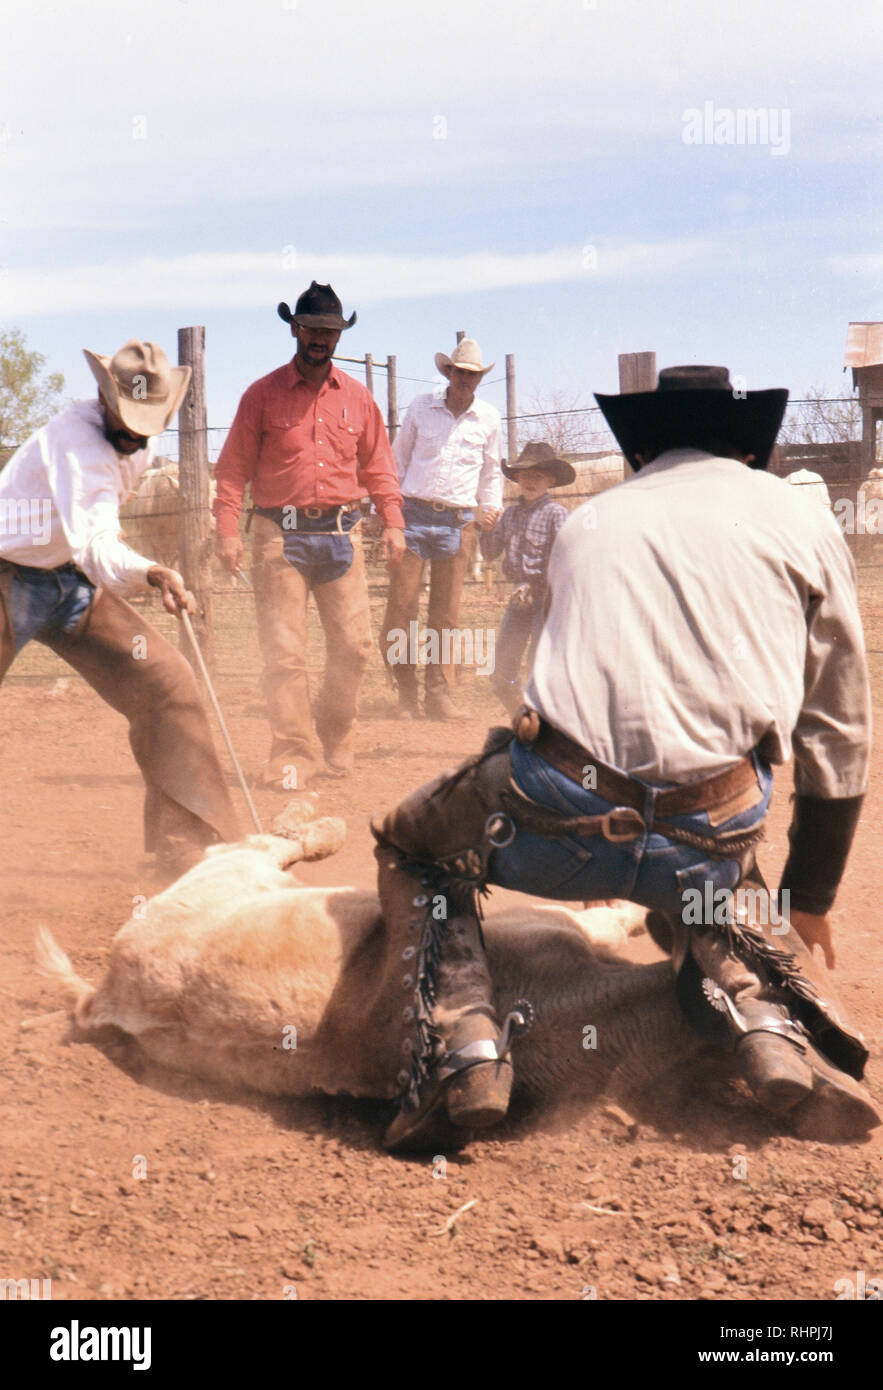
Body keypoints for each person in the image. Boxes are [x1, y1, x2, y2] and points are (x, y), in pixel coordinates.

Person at [369, 363, 878, 1152]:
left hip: (548, 815)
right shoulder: (802, 520)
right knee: (722, 861)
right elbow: (837, 728)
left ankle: (463, 1047)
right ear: (746, 449)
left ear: (644, 451)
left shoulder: (589, 522)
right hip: (704, 831)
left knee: (412, 845)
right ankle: (765, 1024)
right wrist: (807, 895)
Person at [0, 339, 240, 878]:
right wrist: (152, 571)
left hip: (67, 582)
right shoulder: (77, 445)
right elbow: (98, 544)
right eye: (127, 420)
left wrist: (140, 569)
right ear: (105, 398)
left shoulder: (139, 443)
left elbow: (90, 544)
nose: (135, 433)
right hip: (8, 575)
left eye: (147, 423)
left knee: (166, 684)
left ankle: (187, 847)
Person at [213, 283, 405, 788]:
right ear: (295, 329)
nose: (320, 339)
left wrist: (393, 521)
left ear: (338, 336)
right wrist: (227, 529)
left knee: (355, 646)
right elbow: (232, 468)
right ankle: (293, 752)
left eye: (330, 331)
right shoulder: (261, 395)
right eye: (313, 329)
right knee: (285, 651)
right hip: (281, 534)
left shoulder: (359, 399)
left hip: (342, 533)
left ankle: (336, 731)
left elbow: (380, 465)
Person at [380, 337, 502, 720]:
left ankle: (438, 695)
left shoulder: (488, 418)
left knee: (446, 614)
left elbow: (492, 469)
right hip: (413, 516)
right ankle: (405, 694)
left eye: (472, 374)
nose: (465, 379)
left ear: (480, 378)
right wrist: (387, 512)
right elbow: (396, 460)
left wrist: (492, 507)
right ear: (448, 373)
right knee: (401, 608)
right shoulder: (420, 407)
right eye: (460, 372)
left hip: (458, 521)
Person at [480, 440, 574, 715]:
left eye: (538, 476)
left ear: (551, 480)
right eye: (525, 475)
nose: (530, 481)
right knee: (502, 666)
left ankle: (544, 722)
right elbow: (490, 553)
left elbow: (568, 556)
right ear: (517, 478)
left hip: (547, 597)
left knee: (539, 662)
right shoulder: (509, 515)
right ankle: (521, 718)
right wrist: (486, 530)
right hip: (519, 596)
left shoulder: (557, 514)